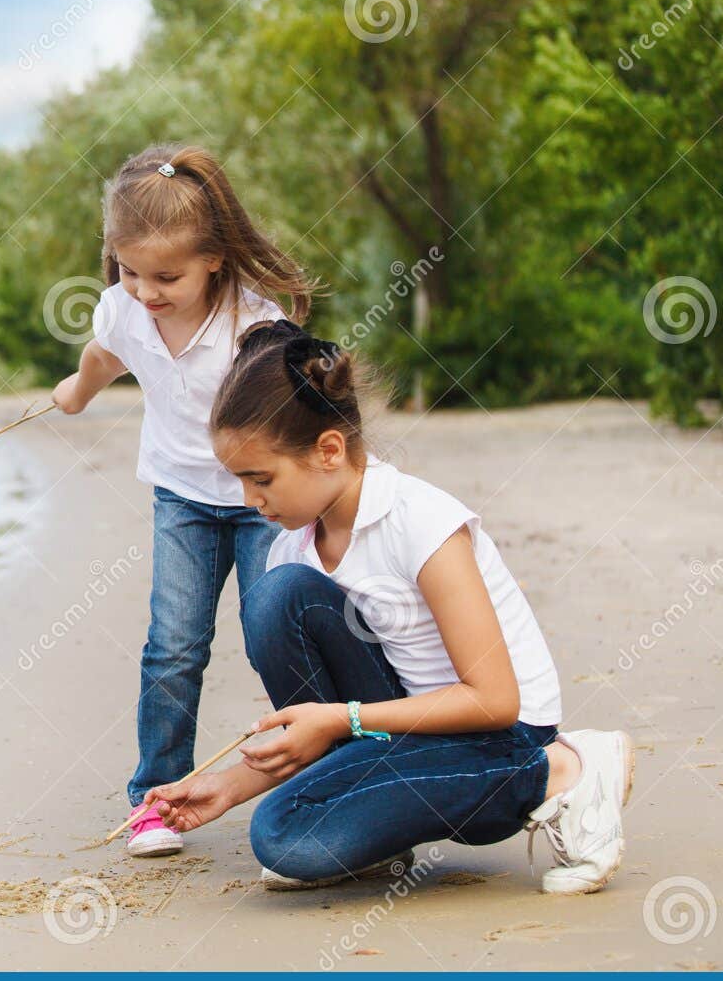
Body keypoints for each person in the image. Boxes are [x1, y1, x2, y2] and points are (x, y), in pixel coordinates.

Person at [144, 319, 634, 893]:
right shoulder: (291, 550)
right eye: (239, 482)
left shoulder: (419, 520)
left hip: (504, 733)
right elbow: (321, 721)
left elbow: (495, 701)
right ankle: (384, 828)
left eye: (261, 479)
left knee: (281, 835)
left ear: (329, 450)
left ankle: (566, 771)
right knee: (277, 600)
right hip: (409, 727)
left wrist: (339, 719)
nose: (250, 501)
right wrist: (226, 787)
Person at [52, 144, 315, 856]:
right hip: (182, 501)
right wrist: (75, 394)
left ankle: (308, 779)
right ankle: (156, 798)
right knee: (172, 646)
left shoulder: (251, 327)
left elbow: (298, 413)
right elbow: (105, 354)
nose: (146, 291)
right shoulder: (124, 310)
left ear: (215, 260)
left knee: (274, 642)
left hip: (263, 505)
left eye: (166, 276)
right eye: (131, 271)